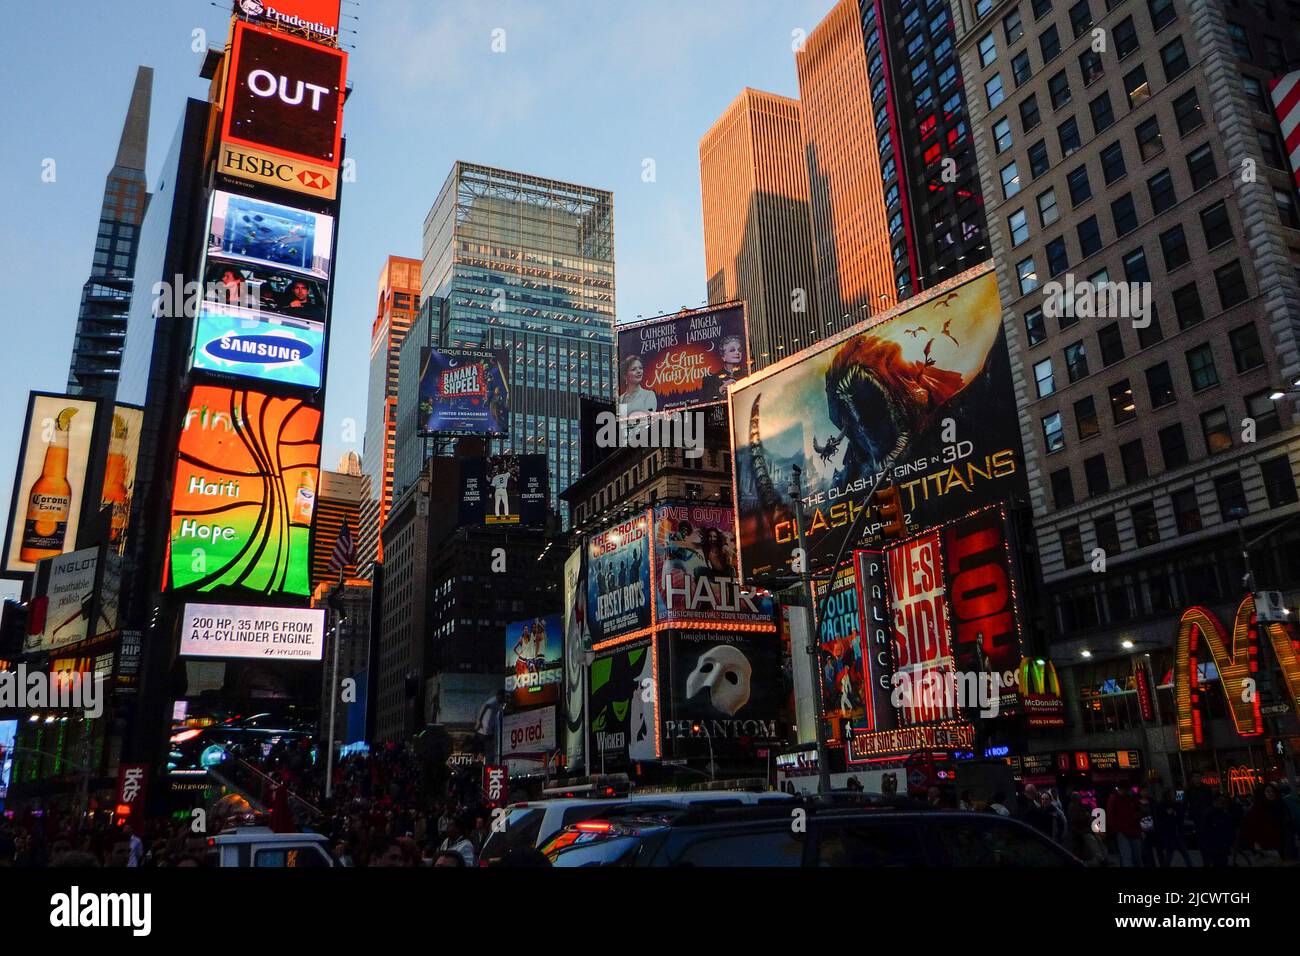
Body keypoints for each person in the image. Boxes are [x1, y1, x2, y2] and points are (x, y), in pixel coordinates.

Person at [1152, 789, 1194, 867]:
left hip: (1176, 833)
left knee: (1184, 853)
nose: (1173, 796)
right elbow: (1160, 819)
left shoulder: (1175, 804)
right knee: (1170, 854)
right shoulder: (1162, 806)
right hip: (1169, 834)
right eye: (1171, 795)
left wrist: (1180, 805)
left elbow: (1180, 816)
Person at [1196, 792, 1237, 868]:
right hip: (1212, 848)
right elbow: (1204, 832)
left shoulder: (1224, 814)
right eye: (1220, 801)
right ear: (1215, 801)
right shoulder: (1208, 814)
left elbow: (1229, 829)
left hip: (1221, 848)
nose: (1222, 803)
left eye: (1223, 801)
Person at [1106, 786, 1144, 867]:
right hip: (1125, 830)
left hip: (1130, 829)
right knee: (1129, 856)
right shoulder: (1117, 799)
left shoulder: (1130, 799)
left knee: (1132, 856)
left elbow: (1110, 816)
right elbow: (1111, 816)